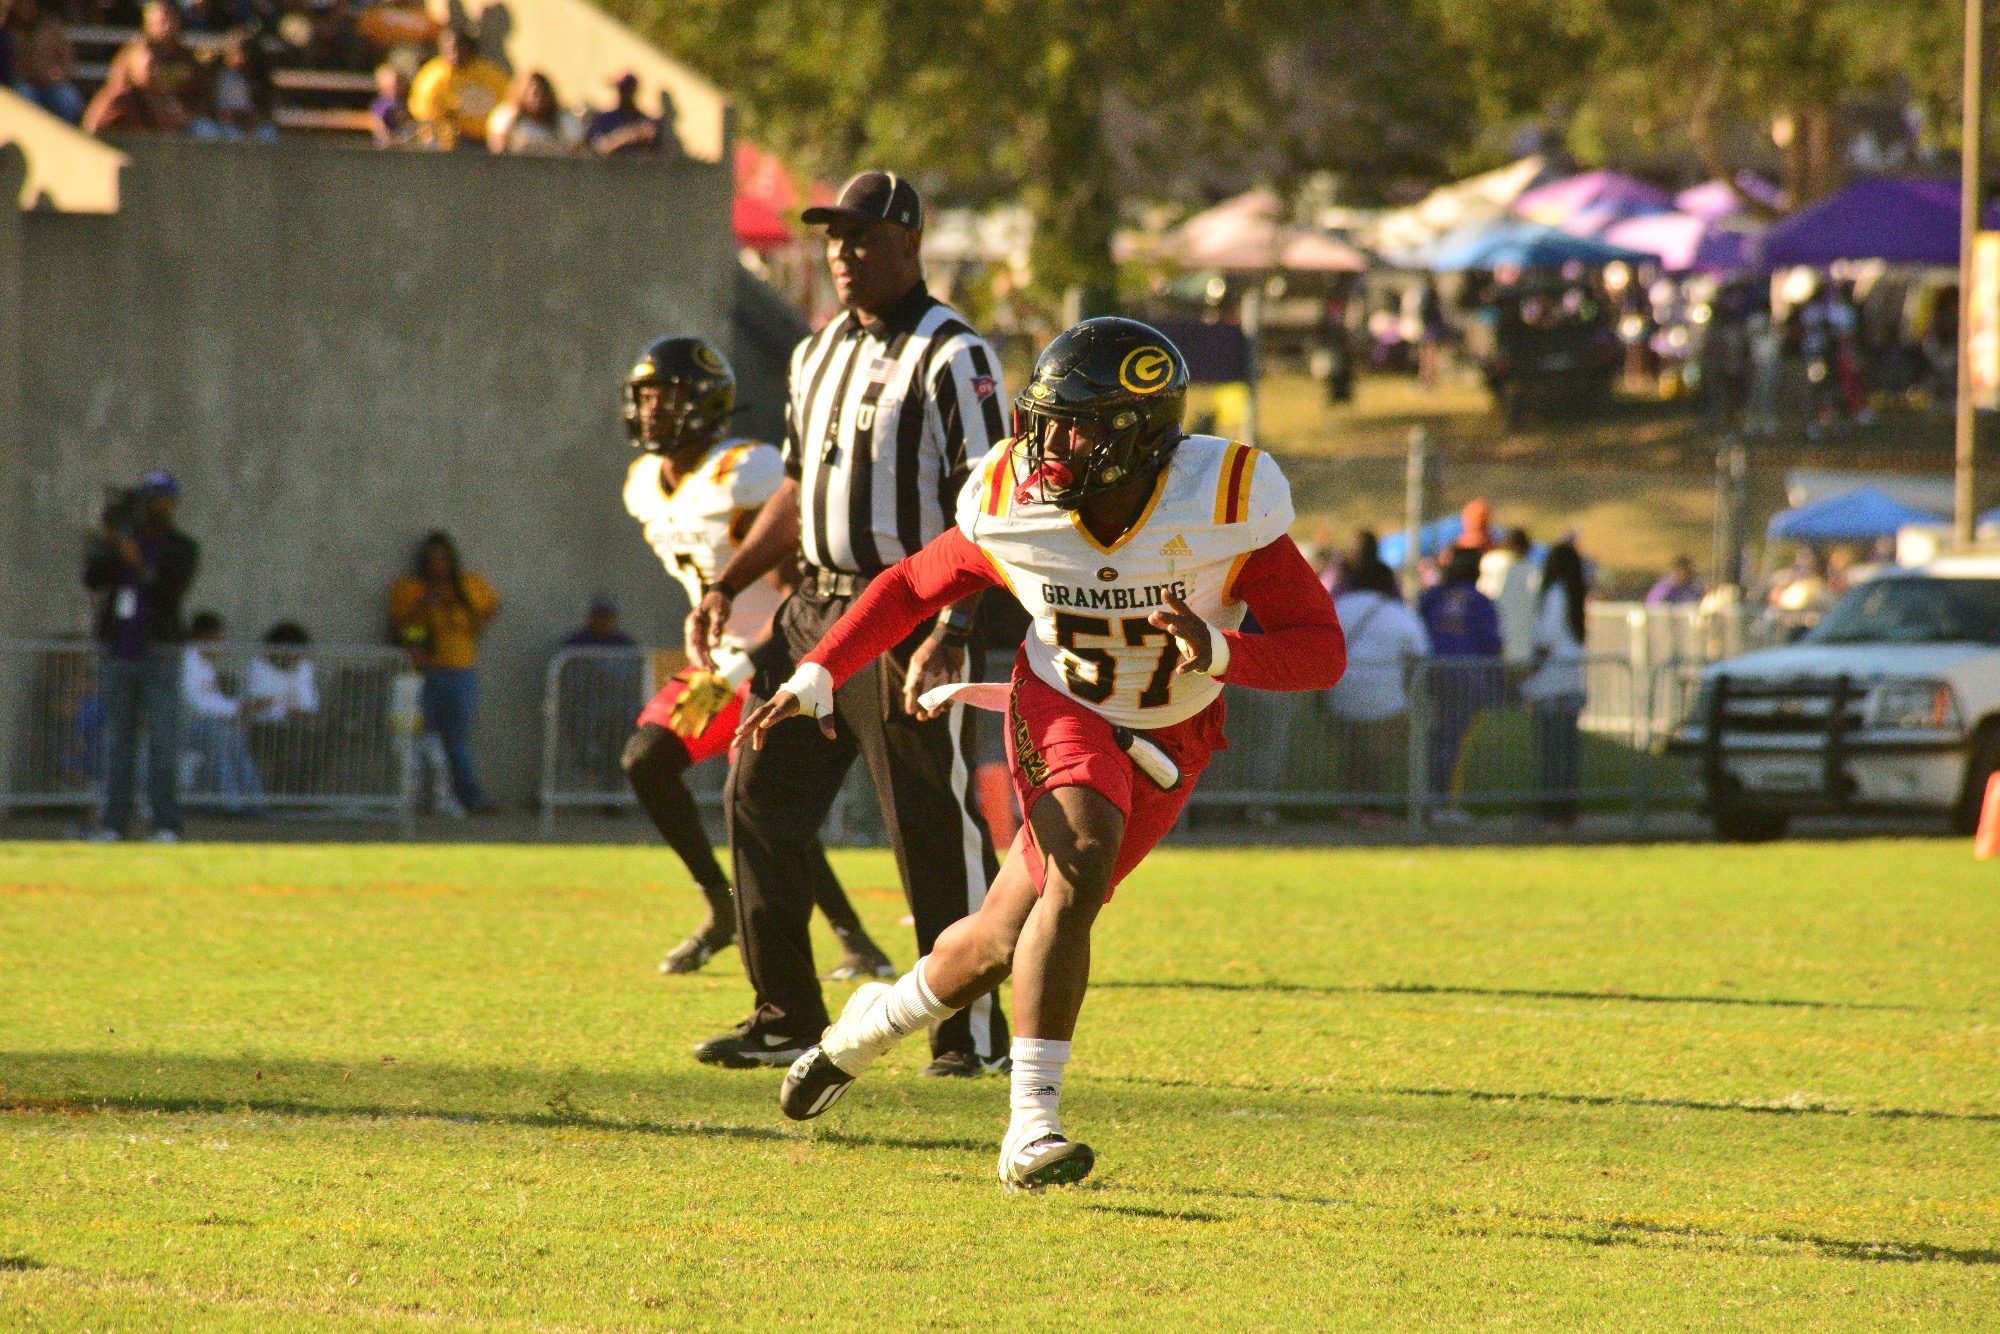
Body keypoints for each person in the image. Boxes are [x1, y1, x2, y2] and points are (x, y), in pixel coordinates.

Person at [747, 318, 1345, 1190]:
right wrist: (818, 670)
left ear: (1140, 431)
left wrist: (1223, 654)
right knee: (1081, 866)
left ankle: (860, 1033)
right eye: (1046, 419)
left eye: (1080, 424)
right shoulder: (1012, 499)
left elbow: (1321, 649)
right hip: (1061, 701)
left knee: (996, 940)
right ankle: (1032, 1125)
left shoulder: (1222, 499)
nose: (1051, 444)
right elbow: (914, 582)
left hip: (1176, 727)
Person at [683, 170, 1012, 1076]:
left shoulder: (956, 355)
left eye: (864, 238)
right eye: (835, 237)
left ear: (910, 244)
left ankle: (970, 1034)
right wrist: (731, 578)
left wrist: (954, 625)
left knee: (929, 827)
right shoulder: (814, 350)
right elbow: (798, 487)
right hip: (812, 611)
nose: (843, 253)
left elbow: (987, 505)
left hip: (907, 612)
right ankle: (785, 1012)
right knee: (757, 793)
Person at [618, 336, 895, 980]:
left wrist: (778, 651)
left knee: (762, 802)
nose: (653, 410)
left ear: (706, 404)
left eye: (668, 396)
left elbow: (801, 578)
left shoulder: (747, 469)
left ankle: (856, 940)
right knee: (648, 760)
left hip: (781, 662)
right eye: (646, 396)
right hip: (723, 669)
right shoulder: (644, 485)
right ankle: (724, 908)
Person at [82, 472, 199, 841]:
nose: (158, 506)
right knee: (119, 741)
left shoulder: (182, 547)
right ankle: (115, 823)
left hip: (159, 650)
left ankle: (166, 824)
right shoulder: (119, 542)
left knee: (163, 739)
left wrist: (138, 565)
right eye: (153, 499)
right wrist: (108, 546)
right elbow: (92, 580)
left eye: (165, 499)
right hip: (118, 649)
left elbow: (169, 593)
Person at [390, 532, 500, 813]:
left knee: (455, 739)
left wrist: (478, 629)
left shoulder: (467, 585)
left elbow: (493, 605)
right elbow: (403, 629)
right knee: (418, 739)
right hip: (425, 672)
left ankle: (467, 799)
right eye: (432, 560)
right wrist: (425, 605)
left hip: (461, 672)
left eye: (443, 559)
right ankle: (414, 800)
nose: (437, 565)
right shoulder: (411, 589)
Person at [1328, 551, 1426, 823]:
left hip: (1341, 694)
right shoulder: (1396, 612)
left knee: (1351, 755)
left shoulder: (1339, 606)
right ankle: (1374, 809)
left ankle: (1349, 807)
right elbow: (1420, 650)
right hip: (1387, 698)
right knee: (1377, 758)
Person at [1418, 545, 1501, 820]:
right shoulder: (1479, 601)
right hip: (1466, 676)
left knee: (1434, 738)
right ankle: (1442, 805)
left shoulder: (1433, 596)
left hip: (1431, 673)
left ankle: (1427, 800)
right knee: (1452, 742)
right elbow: (1491, 642)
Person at [1523, 541, 1588, 828]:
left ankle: (1551, 810)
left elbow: (1546, 637)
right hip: (1573, 681)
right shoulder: (1575, 595)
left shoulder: (1555, 593)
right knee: (1568, 752)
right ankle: (1567, 809)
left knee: (1551, 751)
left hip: (1552, 683)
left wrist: (1529, 670)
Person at [180, 610, 262, 811]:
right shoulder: (186, 661)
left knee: (237, 742)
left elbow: (215, 700)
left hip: (204, 723)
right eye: (218, 640)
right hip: (184, 725)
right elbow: (196, 703)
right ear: (204, 638)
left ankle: (254, 802)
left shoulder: (205, 665)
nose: (221, 646)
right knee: (221, 741)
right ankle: (229, 803)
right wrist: (237, 708)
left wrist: (239, 711)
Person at [406, 26, 508, 149]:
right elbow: (423, 113)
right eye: (449, 49)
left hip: (487, 140)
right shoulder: (432, 75)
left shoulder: (490, 73)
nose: (455, 53)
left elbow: (508, 104)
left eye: (460, 47)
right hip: (448, 143)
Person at [82, 40, 191, 134]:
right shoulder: (119, 99)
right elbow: (93, 132)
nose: (155, 72)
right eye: (150, 66)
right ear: (133, 66)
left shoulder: (159, 97)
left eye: (158, 65)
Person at [7, 0, 84, 125]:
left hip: (52, 83)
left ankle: (65, 139)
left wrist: (56, 76)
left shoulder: (52, 26)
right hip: (21, 83)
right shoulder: (7, 30)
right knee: (24, 97)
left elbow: (67, 62)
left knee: (68, 99)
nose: (25, 7)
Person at [1479, 526, 1537, 667]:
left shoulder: (1489, 562)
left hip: (1494, 640)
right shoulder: (1531, 570)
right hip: (1522, 645)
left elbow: (1481, 593)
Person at [486, 70, 582, 155]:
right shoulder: (507, 117)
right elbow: (497, 149)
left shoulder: (565, 119)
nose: (540, 99)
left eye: (544, 93)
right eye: (535, 93)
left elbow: (576, 151)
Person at [583, 71, 659, 157]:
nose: (624, 94)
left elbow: (656, 155)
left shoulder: (645, 121)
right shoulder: (604, 119)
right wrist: (634, 133)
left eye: (628, 90)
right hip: (610, 168)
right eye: (622, 90)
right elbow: (599, 148)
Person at [369, 63, 414, 146]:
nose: (394, 89)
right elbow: (379, 126)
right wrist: (390, 142)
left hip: (407, 140)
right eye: (389, 87)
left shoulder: (406, 101)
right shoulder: (381, 105)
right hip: (391, 146)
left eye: (397, 85)